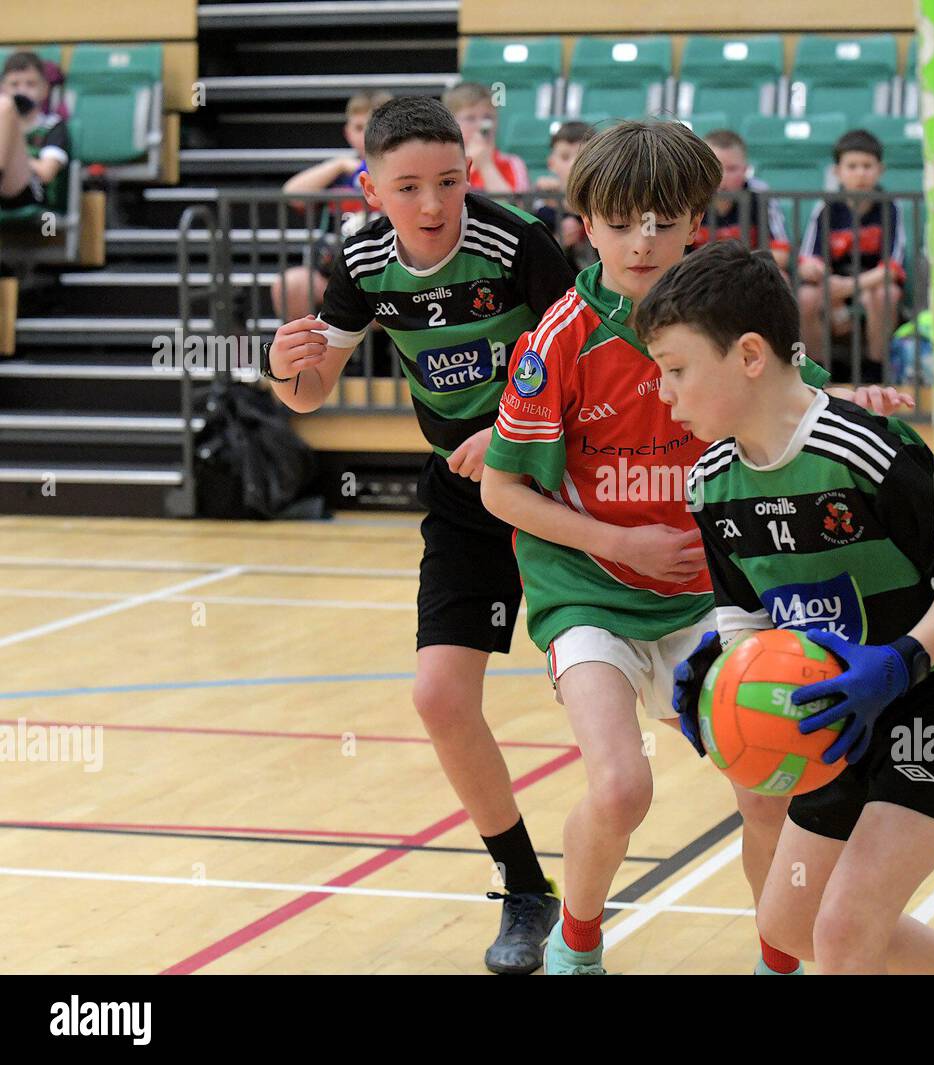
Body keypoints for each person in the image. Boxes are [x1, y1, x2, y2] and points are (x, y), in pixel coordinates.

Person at [479, 120, 911, 976]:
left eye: (664, 220)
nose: (644, 240)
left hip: (706, 600)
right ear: (585, 223)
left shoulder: (725, 326)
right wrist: (615, 539)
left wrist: (858, 397)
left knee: (766, 785)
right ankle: (578, 929)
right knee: (621, 786)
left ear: (693, 226)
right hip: (591, 592)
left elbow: (799, 395)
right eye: (623, 220)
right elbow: (501, 490)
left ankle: (776, 958)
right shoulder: (560, 340)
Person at [641, 240, 934, 976]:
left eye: (676, 370)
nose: (665, 394)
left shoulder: (867, 453)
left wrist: (899, 662)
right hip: (834, 723)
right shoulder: (711, 481)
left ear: (750, 355)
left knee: (845, 932)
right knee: (788, 922)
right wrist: (714, 668)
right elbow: (746, 614)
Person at [263, 95, 575, 975]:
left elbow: (578, 360)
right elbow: (312, 387)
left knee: (633, 700)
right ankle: (524, 887)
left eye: (449, 181)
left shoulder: (520, 243)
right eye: (409, 187)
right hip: (463, 496)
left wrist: (513, 431)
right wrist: (286, 370)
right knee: (440, 698)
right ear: (371, 189)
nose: (434, 204)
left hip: (557, 483)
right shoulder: (361, 258)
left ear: (470, 174)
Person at [272, 91, 392, 322]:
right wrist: (338, 166)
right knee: (291, 285)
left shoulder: (403, 172)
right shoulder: (339, 175)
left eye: (373, 127)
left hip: (387, 274)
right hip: (334, 272)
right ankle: (306, 356)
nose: (366, 135)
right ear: (347, 132)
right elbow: (292, 194)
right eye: (359, 128)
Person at [797, 129, 906, 376]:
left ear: (880, 170)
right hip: (833, 285)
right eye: (852, 166)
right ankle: (819, 371)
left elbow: (893, 267)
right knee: (806, 297)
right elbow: (807, 261)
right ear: (837, 172)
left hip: (871, 284)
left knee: (884, 294)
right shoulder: (826, 207)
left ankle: (875, 369)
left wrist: (851, 285)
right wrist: (833, 292)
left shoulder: (890, 207)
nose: (860, 173)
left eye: (867, 166)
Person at [695, 128, 791, 269]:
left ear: (746, 170)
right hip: (696, 278)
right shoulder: (688, 196)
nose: (722, 177)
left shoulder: (761, 195)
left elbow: (780, 254)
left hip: (748, 276)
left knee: (782, 278)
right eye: (715, 167)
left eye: (732, 169)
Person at [0, 51, 70, 213]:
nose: (22, 91)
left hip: (32, 192)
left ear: (45, 89)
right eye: (14, 85)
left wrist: (15, 154)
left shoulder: (53, 126)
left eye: (30, 84)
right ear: (3, 88)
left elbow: (46, 172)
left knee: (4, 106)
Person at [531, 120, 597, 272]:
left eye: (582, 156)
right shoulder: (541, 200)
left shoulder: (605, 196)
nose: (574, 163)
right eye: (566, 157)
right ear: (551, 163)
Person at [443, 81, 529, 194]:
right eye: (470, 118)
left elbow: (514, 210)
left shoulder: (512, 164)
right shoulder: (441, 166)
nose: (482, 126)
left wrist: (486, 165)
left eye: (488, 117)